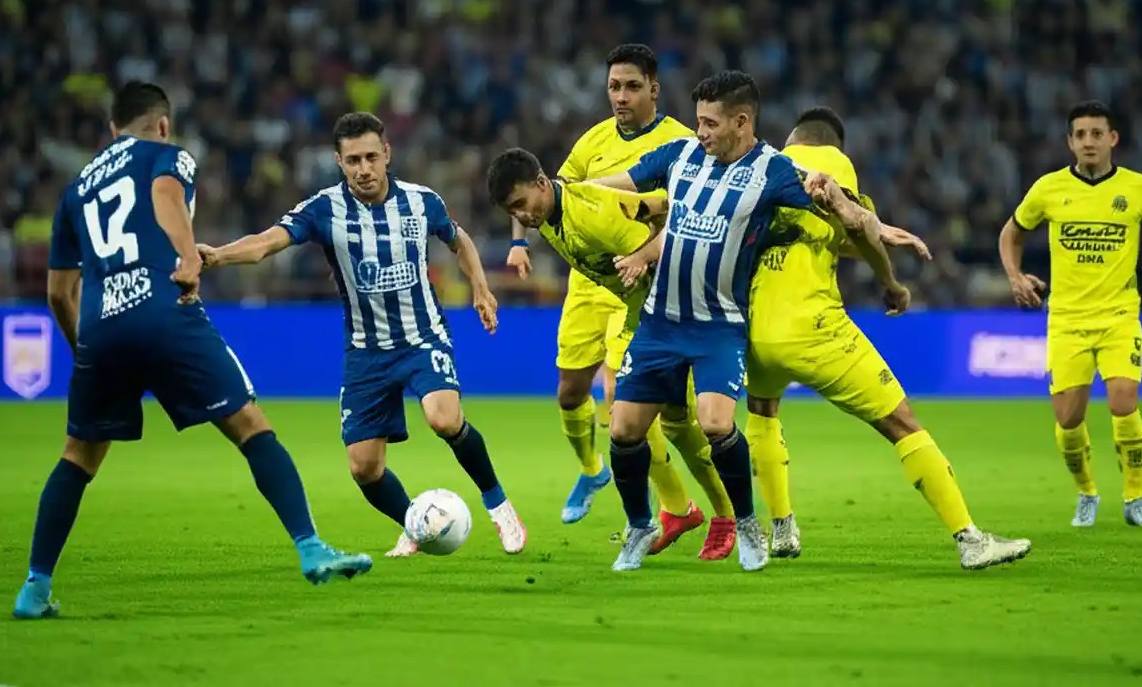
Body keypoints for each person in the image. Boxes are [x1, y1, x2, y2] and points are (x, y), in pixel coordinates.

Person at [13, 82, 372, 619]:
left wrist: (83, 349)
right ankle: (310, 547)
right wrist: (187, 256)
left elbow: (58, 292)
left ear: (112, 130)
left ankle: (34, 589)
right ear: (162, 124)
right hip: (164, 311)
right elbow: (165, 196)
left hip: (101, 327)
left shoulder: (75, 192)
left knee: (77, 457)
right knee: (251, 427)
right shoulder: (167, 155)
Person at [589, 70, 900, 572]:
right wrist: (569, 190)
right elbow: (619, 185)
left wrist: (874, 226)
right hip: (660, 324)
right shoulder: (682, 154)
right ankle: (640, 524)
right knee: (624, 430)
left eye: (711, 123)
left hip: (719, 324)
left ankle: (747, 522)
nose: (701, 133)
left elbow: (832, 204)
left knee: (715, 422)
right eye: (698, 122)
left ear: (742, 121)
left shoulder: (774, 171)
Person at [198, 112, 527, 557]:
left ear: (387, 154)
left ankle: (499, 506)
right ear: (339, 161)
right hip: (365, 353)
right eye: (353, 160)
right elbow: (267, 242)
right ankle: (415, 522)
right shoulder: (323, 209)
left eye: (372, 157)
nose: (364, 168)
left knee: (444, 418)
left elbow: (459, 240)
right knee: (365, 470)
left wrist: (481, 288)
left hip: (421, 336)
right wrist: (217, 256)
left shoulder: (420, 201)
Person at [747, 106, 1034, 569]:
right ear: (832, 143)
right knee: (902, 423)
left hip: (758, 324)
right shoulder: (833, 163)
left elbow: (816, 232)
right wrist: (890, 282)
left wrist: (879, 231)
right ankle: (970, 539)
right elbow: (857, 227)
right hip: (813, 325)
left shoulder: (765, 167)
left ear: (792, 137)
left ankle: (781, 528)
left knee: (762, 414)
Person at [507, 44, 735, 557]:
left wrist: (648, 254)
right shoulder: (593, 141)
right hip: (590, 284)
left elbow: (687, 213)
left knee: (625, 400)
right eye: (614, 87)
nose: (621, 97)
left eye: (632, 86)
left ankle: (693, 510)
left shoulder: (681, 141)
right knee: (571, 392)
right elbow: (537, 188)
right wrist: (519, 242)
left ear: (654, 88)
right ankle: (623, 486)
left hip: (644, 287)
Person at [999, 100, 1142, 528]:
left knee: (1123, 400)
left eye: (1096, 134)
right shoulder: (1048, 189)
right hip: (1066, 319)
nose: (1088, 142)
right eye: (1080, 135)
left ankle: (1134, 499)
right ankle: (1087, 494)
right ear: (1069, 141)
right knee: (1068, 417)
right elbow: (1011, 233)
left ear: (1112, 139)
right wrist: (1014, 276)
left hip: (1120, 314)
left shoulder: (1139, 189)